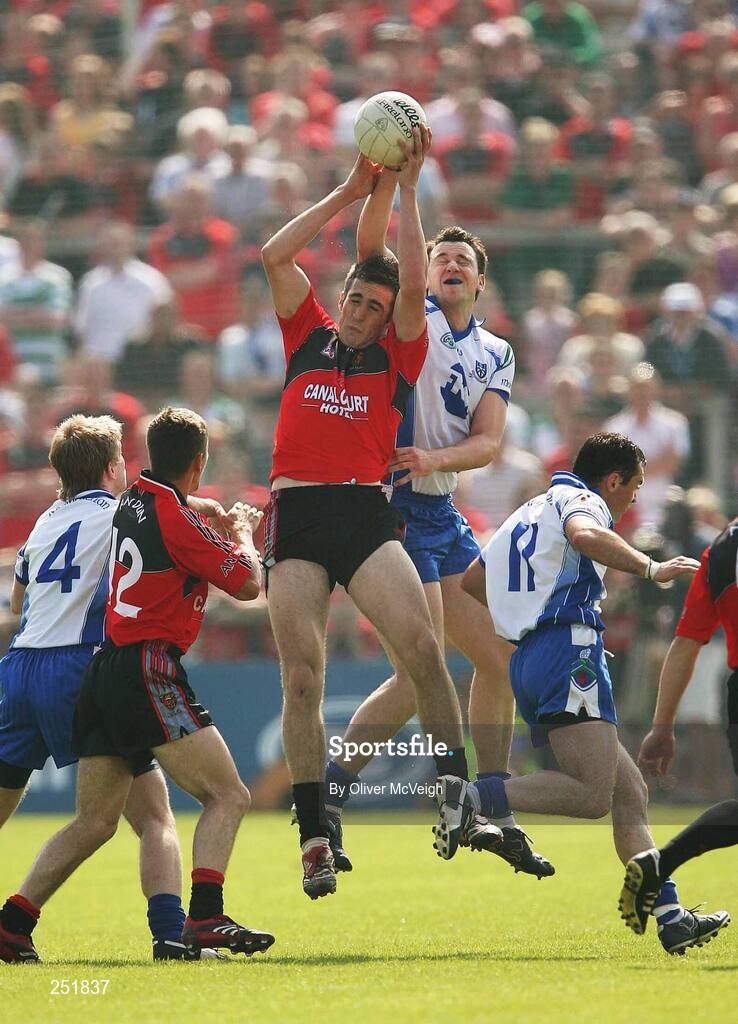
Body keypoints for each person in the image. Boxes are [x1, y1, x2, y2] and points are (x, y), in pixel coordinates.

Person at [261, 131, 498, 900]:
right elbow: (274, 255)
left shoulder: (400, 352)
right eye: (355, 300)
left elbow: (408, 272)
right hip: (297, 516)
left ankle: (454, 794)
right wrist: (350, 190)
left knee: (425, 652)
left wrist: (410, 187)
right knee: (303, 679)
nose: (364, 311)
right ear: (339, 301)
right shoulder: (306, 333)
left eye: (377, 304)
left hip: (364, 514)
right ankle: (314, 837)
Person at [323, 171, 553, 879]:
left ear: (481, 282)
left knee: (500, 661)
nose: (449, 264)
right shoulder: (411, 317)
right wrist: (407, 190)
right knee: (416, 674)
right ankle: (328, 798)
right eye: (439, 257)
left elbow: (488, 443)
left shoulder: (495, 351)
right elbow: (376, 247)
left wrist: (433, 457)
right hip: (391, 511)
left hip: (441, 508)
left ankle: (491, 806)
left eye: (463, 260)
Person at [0, 407, 275, 963]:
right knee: (168, 813)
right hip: (92, 664)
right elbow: (236, 575)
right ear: (111, 468)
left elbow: (18, 601)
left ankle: (15, 924)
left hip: (21, 664)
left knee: (92, 820)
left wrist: (197, 505)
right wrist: (232, 525)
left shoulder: (46, 521)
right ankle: (184, 926)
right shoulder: (121, 513)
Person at [461, 432, 728, 955]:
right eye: (634, 486)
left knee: (630, 793)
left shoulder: (531, 508)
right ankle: (473, 798)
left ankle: (671, 916)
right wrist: (651, 568)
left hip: (532, 655)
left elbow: (474, 580)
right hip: (569, 649)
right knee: (592, 794)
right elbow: (585, 535)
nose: (633, 498)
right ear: (612, 481)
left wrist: (525, 616)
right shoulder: (583, 501)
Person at [619, 516, 738, 943]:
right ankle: (660, 863)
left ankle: (659, 864)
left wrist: (662, 725)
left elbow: (686, 642)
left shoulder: (721, 549)